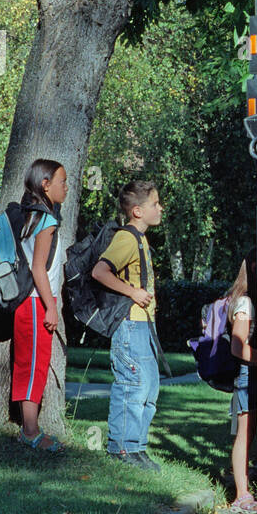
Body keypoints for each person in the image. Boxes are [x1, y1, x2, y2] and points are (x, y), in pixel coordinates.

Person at [91, 181, 164, 470]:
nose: (160, 208)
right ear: (137, 211)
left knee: (148, 389)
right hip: (130, 325)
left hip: (143, 324)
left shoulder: (141, 239)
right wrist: (132, 292)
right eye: (155, 204)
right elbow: (100, 271)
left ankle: (137, 447)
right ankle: (121, 449)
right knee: (133, 385)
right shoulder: (126, 238)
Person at [12, 159, 68, 452]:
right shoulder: (45, 220)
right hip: (36, 302)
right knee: (33, 366)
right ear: (45, 185)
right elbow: (38, 269)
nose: (66, 188)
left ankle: (30, 428)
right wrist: (51, 306)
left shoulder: (30, 213)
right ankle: (30, 431)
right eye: (62, 182)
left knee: (32, 364)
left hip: (32, 302)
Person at [225, 255, 257, 514]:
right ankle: (241, 495)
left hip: (251, 372)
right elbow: (237, 346)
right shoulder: (245, 302)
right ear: (253, 267)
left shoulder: (250, 301)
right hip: (247, 373)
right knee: (244, 432)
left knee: (248, 432)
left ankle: (244, 490)